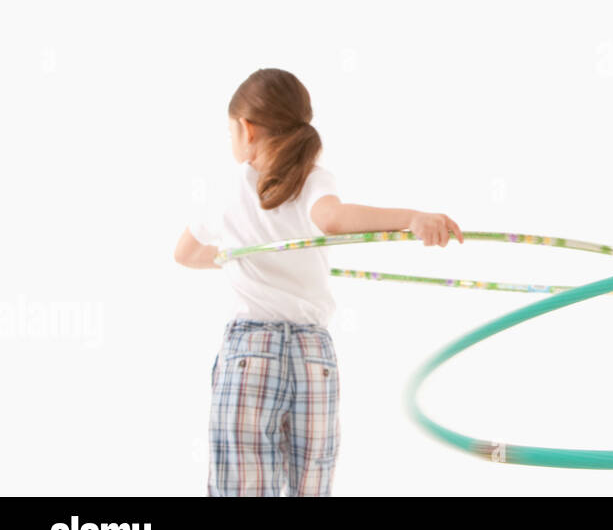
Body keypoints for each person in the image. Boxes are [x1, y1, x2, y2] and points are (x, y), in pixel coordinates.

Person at [172, 67, 463, 496]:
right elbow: (332, 219)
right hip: (313, 357)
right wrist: (412, 219)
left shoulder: (227, 191)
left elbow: (186, 254)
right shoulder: (311, 177)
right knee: (311, 486)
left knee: (241, 485)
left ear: (245, 129)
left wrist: (240, 254)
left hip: (249, 353)